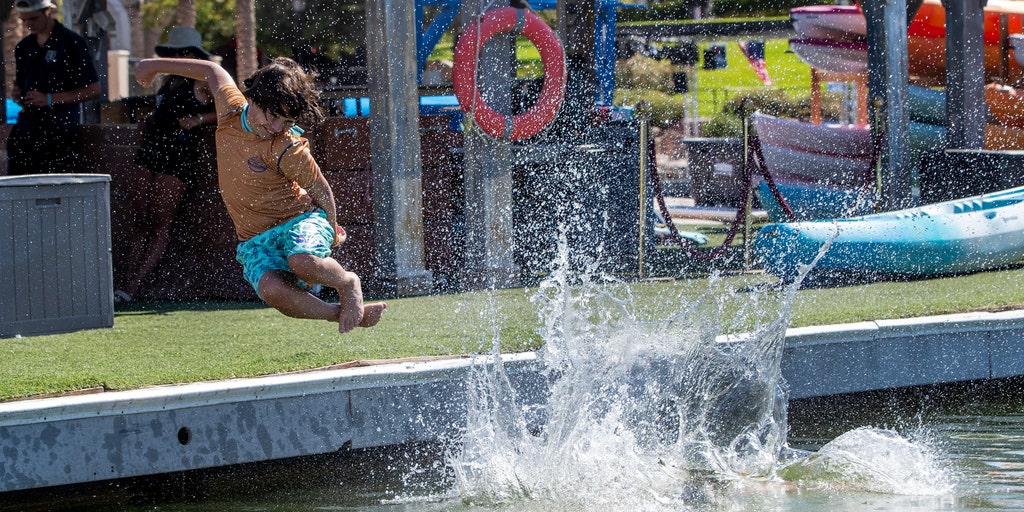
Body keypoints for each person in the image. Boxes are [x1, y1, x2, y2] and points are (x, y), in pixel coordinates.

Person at [133, 56, 386, 333]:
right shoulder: (230, 110)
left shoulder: (287, 146)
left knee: (302, 261)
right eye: (273, 116)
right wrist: (154, 65)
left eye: (287, 121)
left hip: (298, 220)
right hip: (254, 239)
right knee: (271, 289)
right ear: (253, 99)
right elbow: (212, 70)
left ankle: (347, 283)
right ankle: (340, 314)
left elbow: (320, 189)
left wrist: (331, 227)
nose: (277, 127)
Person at [115, 27, 217, 303]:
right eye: (174, 52)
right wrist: (148, 121)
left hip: (179, 154)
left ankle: (133, 287)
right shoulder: (168, 80)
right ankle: (125, 283)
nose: (178, 56)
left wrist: (199, 119)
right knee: (140, 217)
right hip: (152, 149)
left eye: (184, 52)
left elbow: (231, 107)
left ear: (195, 55)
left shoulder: (203, 80)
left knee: (161, 222)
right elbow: (164, 111)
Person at [7, 0, 100, 175]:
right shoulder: (24, 47)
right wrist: (18, 94)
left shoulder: (71, 42)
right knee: (18, 182)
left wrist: (50, 99)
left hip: (59, 130)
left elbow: (93, 89)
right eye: (23, 20)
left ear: (48, 11)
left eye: (33, 18)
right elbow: (22, 86)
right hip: (28, 127)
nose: (29, 24)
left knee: (53, 188)